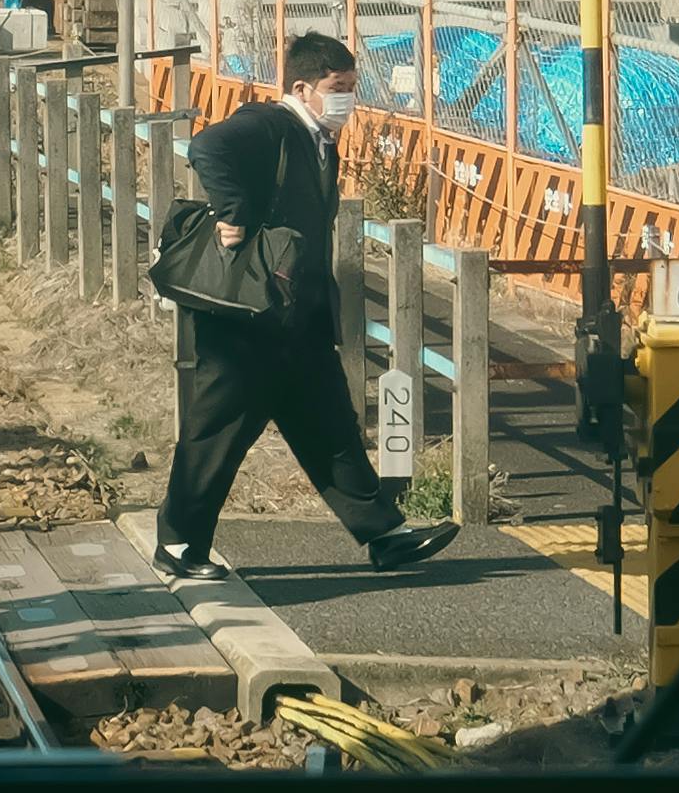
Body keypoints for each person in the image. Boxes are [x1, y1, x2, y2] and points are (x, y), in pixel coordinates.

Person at [153, 30, 458, 584]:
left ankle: (383, 535)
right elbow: (208, 147)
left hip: (298, 315)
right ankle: (177, 543)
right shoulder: (271, 124)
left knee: (331, 427)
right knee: (216, 430)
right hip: (249, 317)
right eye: (338, 89)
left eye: (351, 89)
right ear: (302, 86)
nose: (348, 101)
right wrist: (235, 213)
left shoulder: (320, 138)